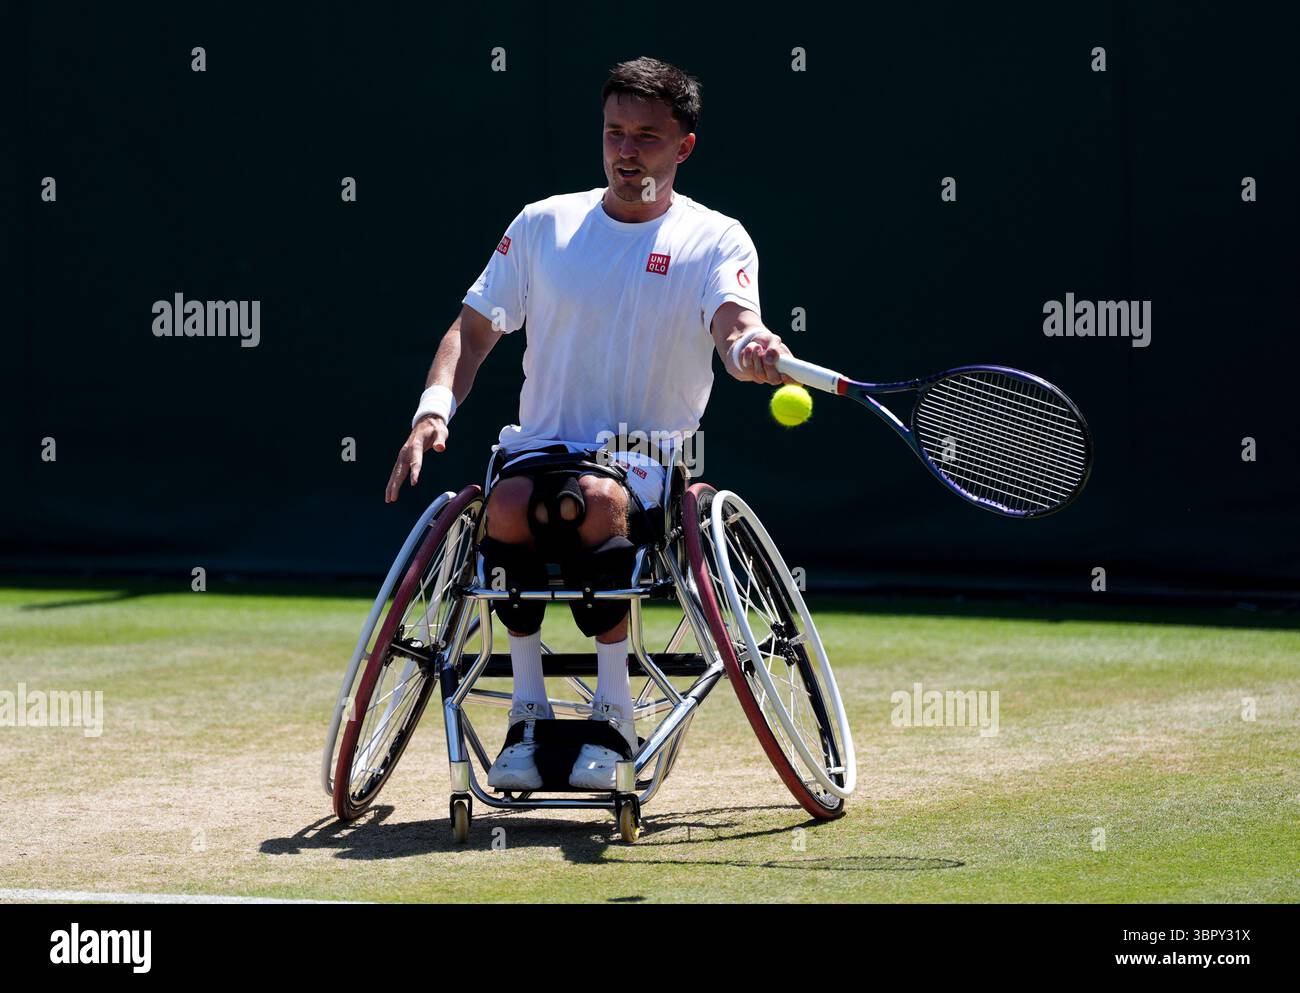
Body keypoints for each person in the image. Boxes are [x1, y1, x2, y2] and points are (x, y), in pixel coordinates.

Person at [385, 56, 792, 790]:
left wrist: (754, 349)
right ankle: (529, 715)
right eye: (614, 134)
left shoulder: (718, 238)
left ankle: (612, 714)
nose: (626, 152)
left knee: (593, 504)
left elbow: (736, 328)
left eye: (646, 136)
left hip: (644, 463)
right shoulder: (543, 223)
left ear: (683, 146)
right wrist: (432, 410)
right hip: (540, 449)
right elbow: (472, 332)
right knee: (506, 507)